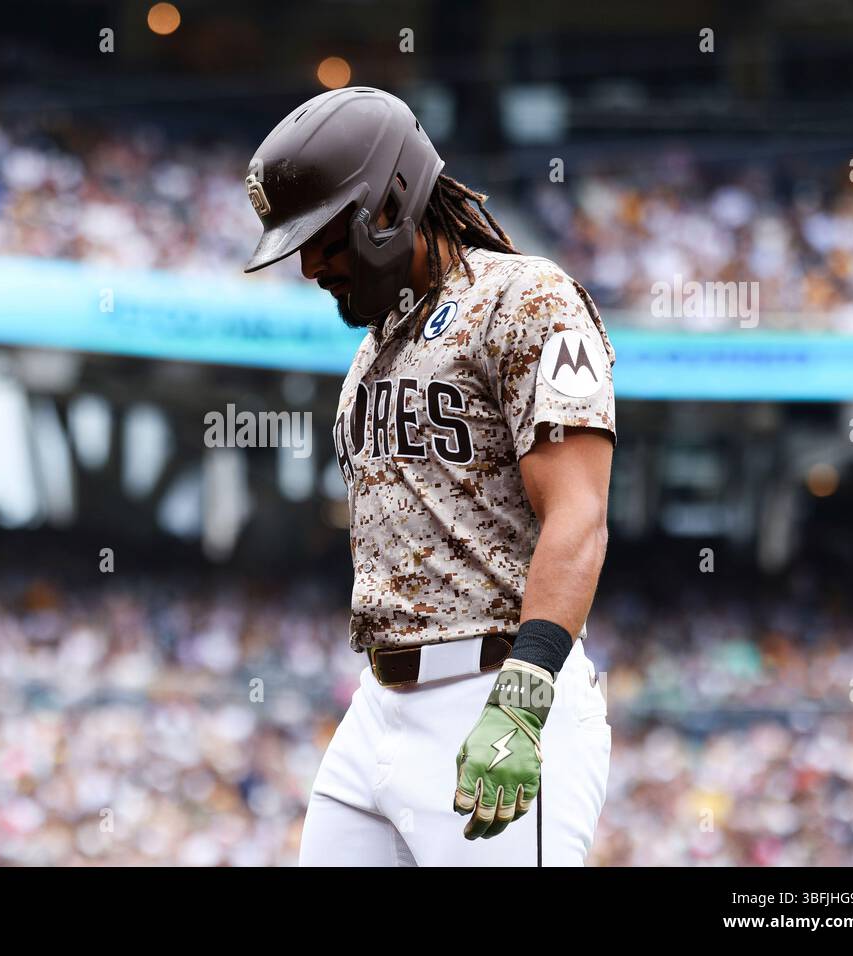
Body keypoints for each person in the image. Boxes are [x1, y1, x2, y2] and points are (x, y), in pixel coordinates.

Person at [243, 87, 615, 865]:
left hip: (496, 690)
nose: (311, 264)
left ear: (392, 202)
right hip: (378, 707)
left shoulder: (526, 298)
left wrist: (525, 697)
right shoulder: (374, 346)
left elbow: (578, 515)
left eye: (325, 236)